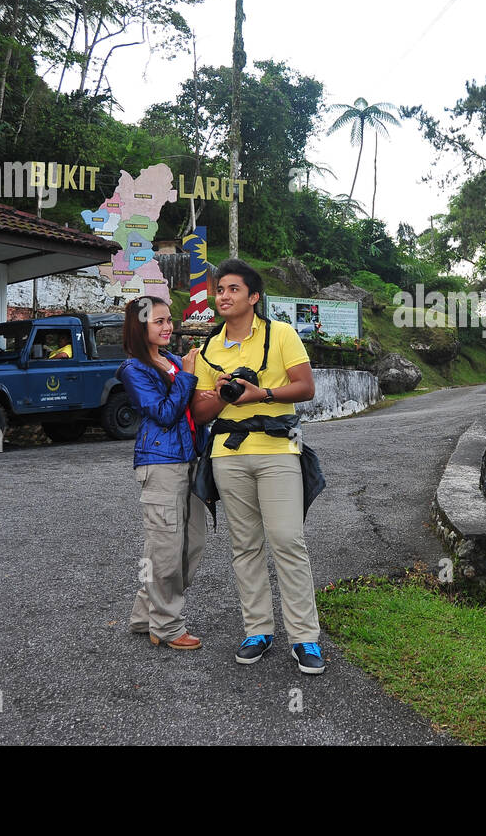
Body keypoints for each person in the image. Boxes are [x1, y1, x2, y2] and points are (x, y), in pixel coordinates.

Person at [191, 259, 325, 675]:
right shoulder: (208, 348)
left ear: (253, 297)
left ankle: (305, 638)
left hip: (277, 449)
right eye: (220, 290)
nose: (224, 296)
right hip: (227, 455)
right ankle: (258, 630)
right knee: (245, 544)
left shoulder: (281, 334)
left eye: (233, 289)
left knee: (287, 539)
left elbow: (305, 387)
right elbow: (200, 411)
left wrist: (259, 393)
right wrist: (225, 397)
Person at [118, 296, 206, 650]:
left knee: (191, 545)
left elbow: (191, 408)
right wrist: (187, 376)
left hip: (190, 460)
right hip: (160, 462)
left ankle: (145, 615)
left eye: (169, 320)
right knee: (167, 549)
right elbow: (165, 413)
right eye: (159, 322)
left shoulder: (171, 361)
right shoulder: (134, 369)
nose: (168, 327)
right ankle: (167, 626)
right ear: (141, 327)